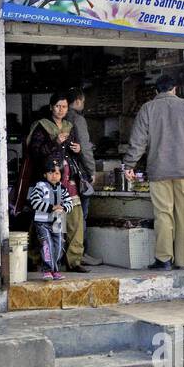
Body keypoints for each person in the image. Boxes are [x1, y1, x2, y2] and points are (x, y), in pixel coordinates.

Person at [122, 75, 184, 271]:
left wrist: (129, 164)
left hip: (159, 171)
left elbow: (138, 140)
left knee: (163, 215)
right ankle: (183, 261)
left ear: (156, 91)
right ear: (175, 89)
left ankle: (164, 259)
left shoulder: (148, 108)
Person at [16, 93, 86, 272]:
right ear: (51, 107)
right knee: (42, 219)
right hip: (47, 179)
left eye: (64, 107)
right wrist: (55, 142)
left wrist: (78, 149)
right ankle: (35, 258)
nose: (61, 110)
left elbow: (73, 151)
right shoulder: (42, 127)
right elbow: (35, 152)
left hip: (68, 179)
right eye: (57, 106)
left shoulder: (70, 126)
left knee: (74, 218)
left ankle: (74, 260)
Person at [64, 88, 102, 267]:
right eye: (83, 101)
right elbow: (85, 149)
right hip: (77, 175)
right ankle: (81, 253)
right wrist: (92, 171)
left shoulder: (59, 118)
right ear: (78, 101)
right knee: (81, 217)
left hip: (61, 176)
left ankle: (64, 253)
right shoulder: (78, 119)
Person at [28, 158, 73, 281]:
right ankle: (47, 270)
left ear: (61, 175)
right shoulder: (40, 186)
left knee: (58, 246)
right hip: (42, 222)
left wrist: (63, 208)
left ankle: (55, 269)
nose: (54, 176)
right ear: (45, 174)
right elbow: (34, 202)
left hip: (58, 222)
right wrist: (51, 208)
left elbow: (70, 204)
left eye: (57, 173)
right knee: (46, 245)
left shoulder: (62, 189)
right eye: (50, 173)